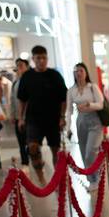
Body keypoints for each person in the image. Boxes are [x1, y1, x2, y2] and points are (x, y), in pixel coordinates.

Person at [16, 44, 67, 176]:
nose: (41, 61)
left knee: (55, 149)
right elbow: (22, 99)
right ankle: (39, 172)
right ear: (33, 59)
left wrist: (62, 117)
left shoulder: (55, 75)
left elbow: (63, 99)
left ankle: (57, 177)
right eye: (38, 58)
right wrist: (20, 118)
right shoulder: (27, 76)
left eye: (44, 58)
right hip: (33, 120)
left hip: (53, 119)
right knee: (32, 147)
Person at [66, 62, 104, 184]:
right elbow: (69, 110)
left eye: (81, 70)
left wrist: (89, 105)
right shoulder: (72, 90)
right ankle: (91, 180)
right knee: (83, 152)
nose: (79, 73)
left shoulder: (92, 87)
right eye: (76, 71)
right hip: (81, 121)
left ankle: (97, 178)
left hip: (94, 121)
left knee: (90, 152)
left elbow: (100, 104)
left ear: (86, 72)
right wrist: (68, 128)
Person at [9, 57, 30, 165]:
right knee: (21, 142)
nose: (19, 68)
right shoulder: (15, 82)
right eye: (17, 66)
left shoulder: (31, 81)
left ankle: (35, 162)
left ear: (27, 67)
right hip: (18, 117)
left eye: (21, 65)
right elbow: (12, 99)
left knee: (31, 142)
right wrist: (12, 115)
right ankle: (25, 163)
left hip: (30, 117)